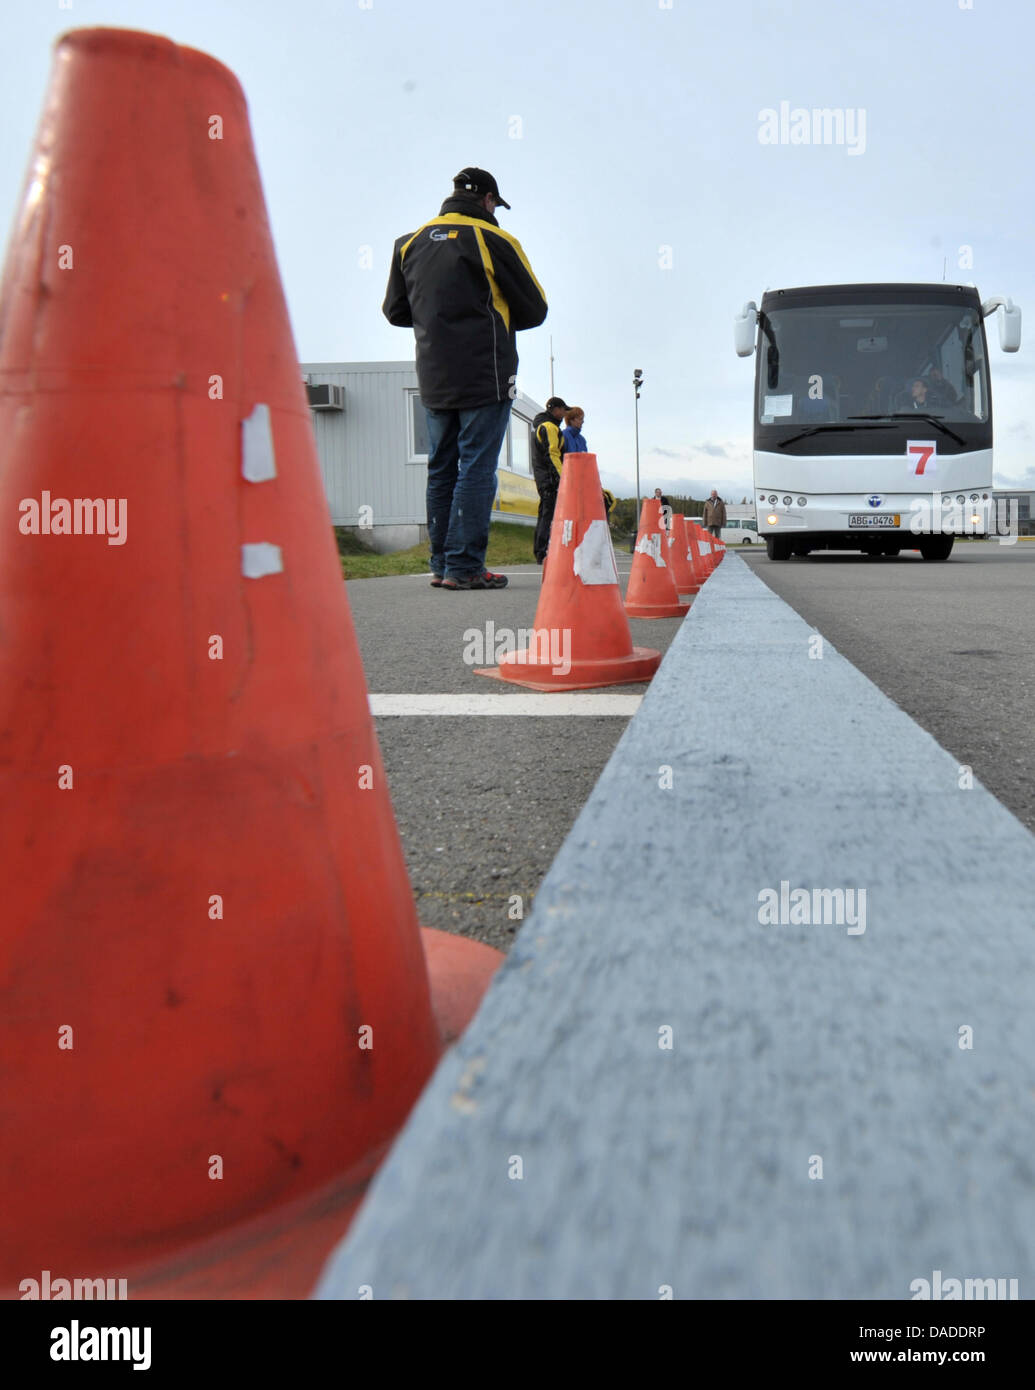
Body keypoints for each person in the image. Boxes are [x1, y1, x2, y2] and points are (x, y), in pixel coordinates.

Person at [383, 167, 548, 589]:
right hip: (486, 372)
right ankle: (465, 566)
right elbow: (535, 307)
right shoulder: (495, 240)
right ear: (489, 201)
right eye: (496, 205)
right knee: (476, 467)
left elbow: (395, 311)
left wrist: (437, 320)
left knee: (441, 468)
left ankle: (441, 565)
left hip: (434, 374)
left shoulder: (409, 243)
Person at [531, 396, 568, 563]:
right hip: (549, 479)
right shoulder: (549, 427)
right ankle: (543, 552)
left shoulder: (542, 425)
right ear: (555, 409)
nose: (564, 413)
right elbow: (553, 454)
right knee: (548, 515)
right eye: (563, 409)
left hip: (543, 477)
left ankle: (540, 551)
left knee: (544, 514)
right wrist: (563, 478)